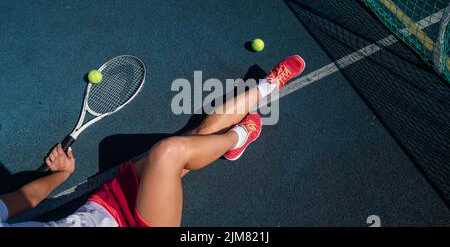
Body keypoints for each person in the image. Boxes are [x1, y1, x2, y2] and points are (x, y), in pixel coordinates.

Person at [0, 55, 305, 227]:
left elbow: (23, 202)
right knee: (169, 152)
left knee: (193, 138)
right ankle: (240, 135)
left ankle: (267, 86)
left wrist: (63, 175)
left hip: (105, 204)